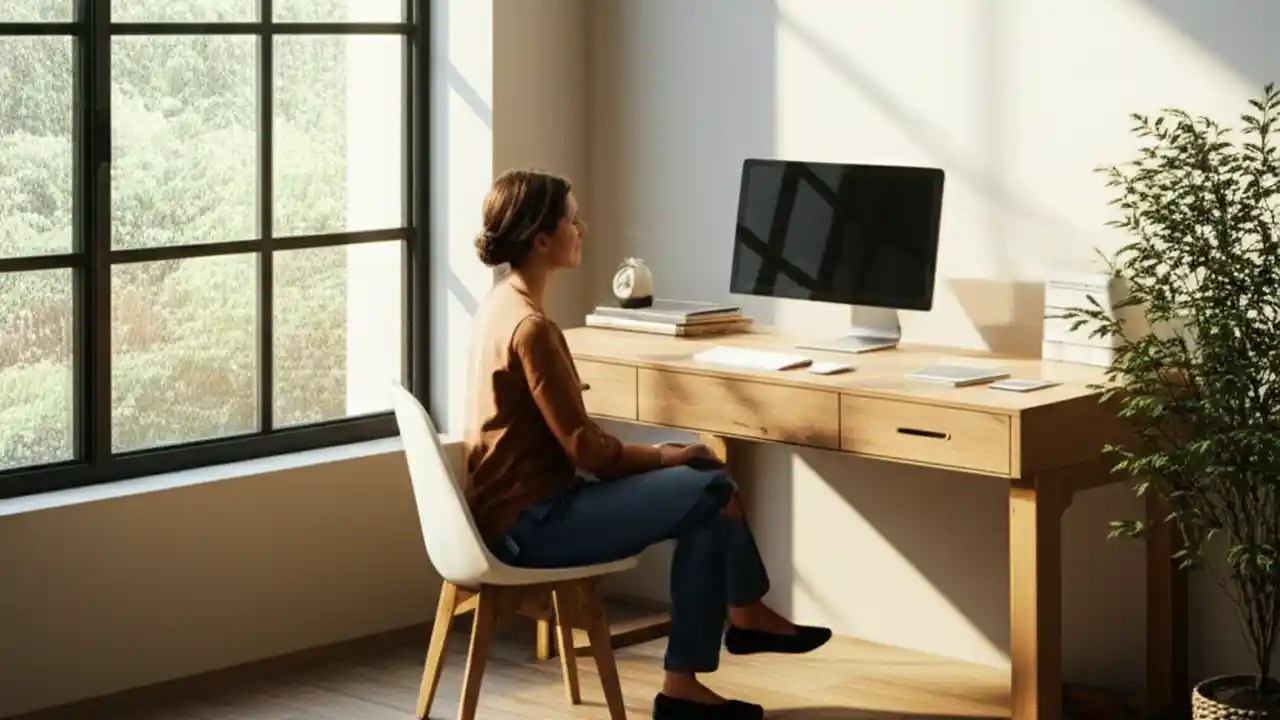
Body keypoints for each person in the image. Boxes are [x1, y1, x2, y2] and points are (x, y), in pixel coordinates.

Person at [463, 169, 831, 720]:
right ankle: (743, 616)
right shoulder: (532, 328)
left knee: (708, 505)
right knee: (712, 483)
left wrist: (662, 458)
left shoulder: (499, 306)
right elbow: (589, 453)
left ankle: (691, 680)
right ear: (541, 239)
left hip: (512, 517)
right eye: (572, 220)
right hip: (534, 526)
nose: (582, 229)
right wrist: (666, 455)